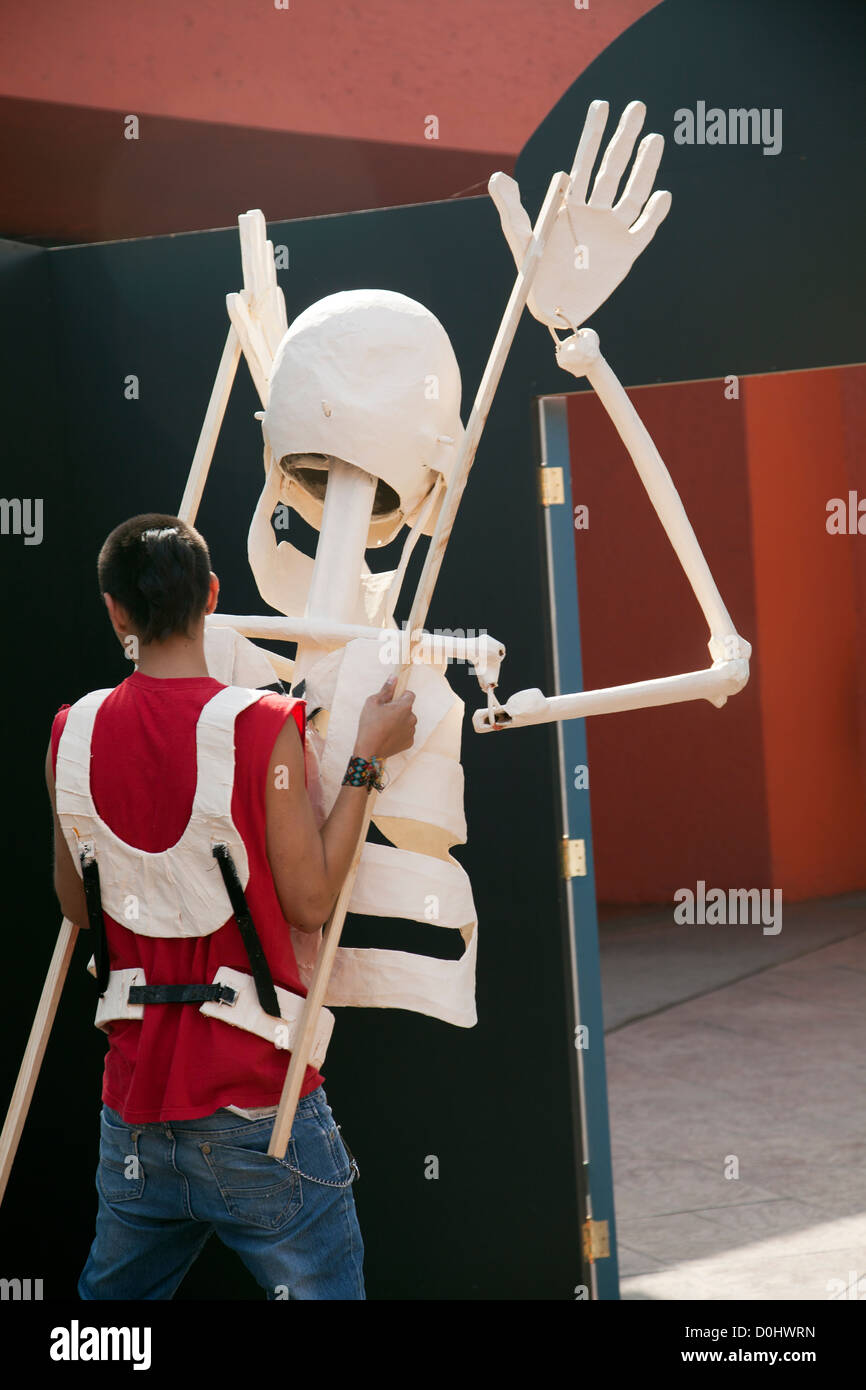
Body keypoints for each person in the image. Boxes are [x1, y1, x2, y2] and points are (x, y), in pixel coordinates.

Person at [44, 513, 417, 1300]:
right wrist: (366, 761)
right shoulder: (258, 727)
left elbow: (78, 904)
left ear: (115, 610)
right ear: (211, 596)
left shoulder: (71, 732)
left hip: (137, 1112)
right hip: (257, 1106)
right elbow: (311, 902)